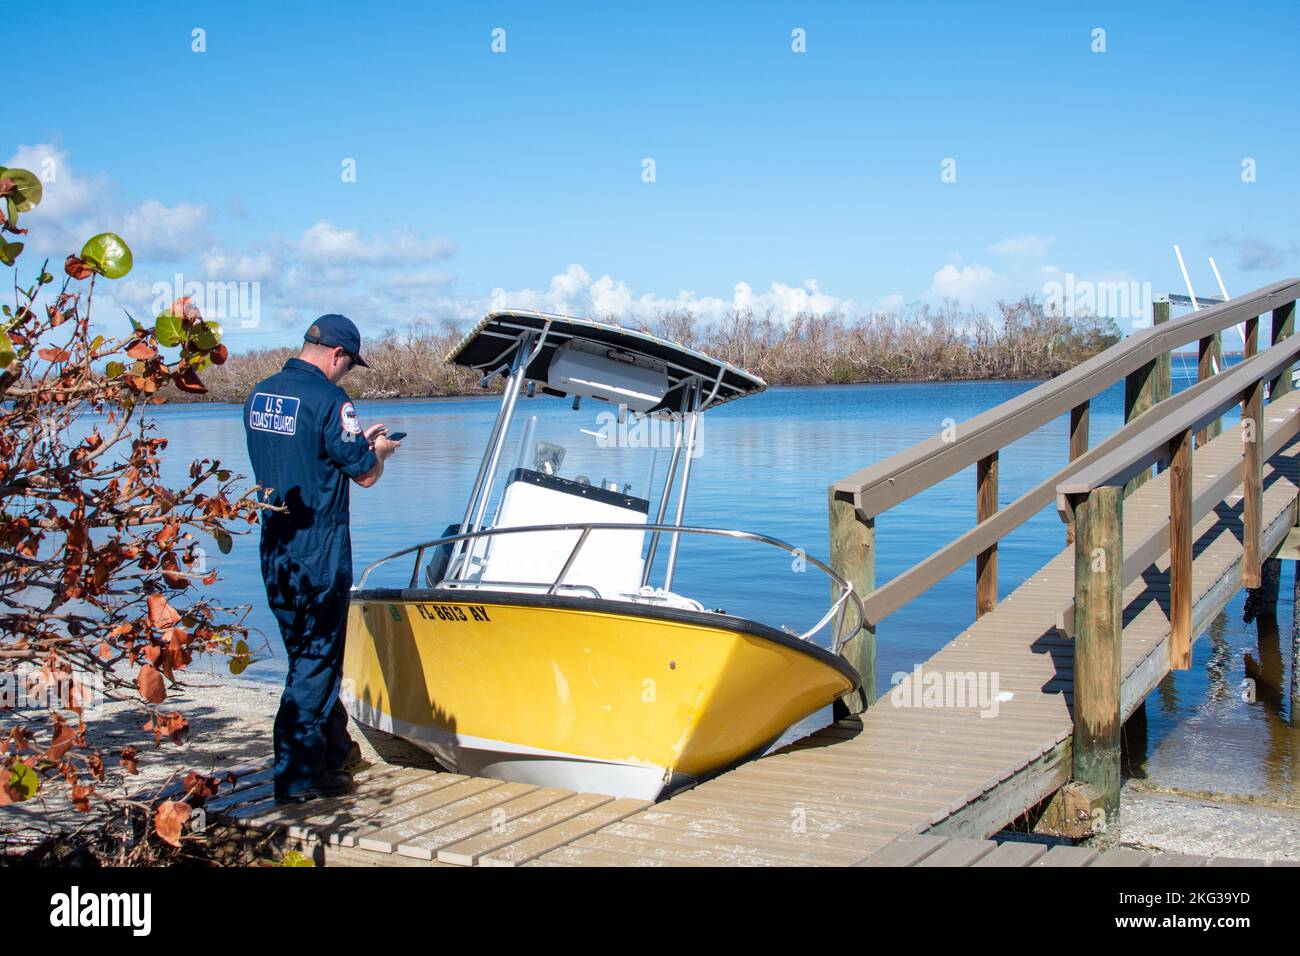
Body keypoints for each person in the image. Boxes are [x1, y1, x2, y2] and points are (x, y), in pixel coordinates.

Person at [242, 314, 400, 803]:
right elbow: (366, 474)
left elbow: (304, 452)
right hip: (320, 553)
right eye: (349, 365)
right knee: (315, 663)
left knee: (310, 658)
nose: (346, 375)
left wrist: (353, 443)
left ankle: (334, 755)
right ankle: (295, 778)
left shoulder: (259, 394)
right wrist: (379, 451)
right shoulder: (332, 400)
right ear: (337, 355)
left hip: (276, 551)